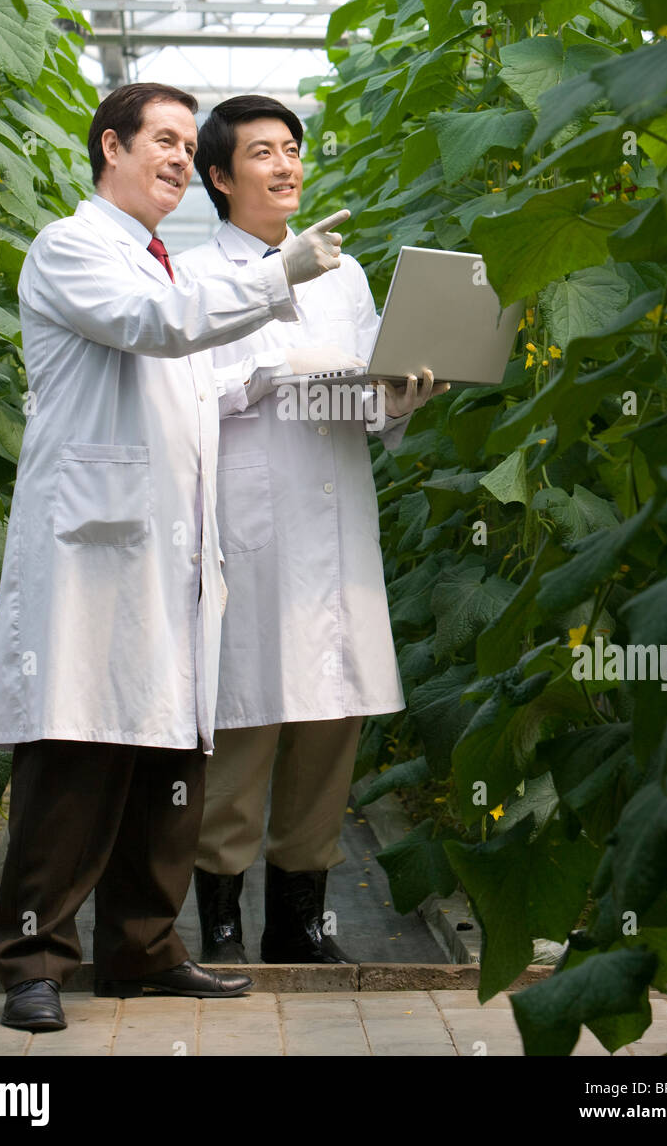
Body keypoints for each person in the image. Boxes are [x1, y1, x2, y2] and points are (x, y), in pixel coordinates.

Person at [0, 82, 348, 1030]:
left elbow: (194, 377)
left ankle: (143, 951)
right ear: (111, 146)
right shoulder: (73, 249)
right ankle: (32, 961)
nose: (183, 160)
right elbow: (161, 325)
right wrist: (281, 274)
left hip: (174, 553)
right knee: (74, 758)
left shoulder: (162, 265)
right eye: (167, 141)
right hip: (94, 553)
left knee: (167, 763)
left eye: (190, 146)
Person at [175, 95, 448, 964]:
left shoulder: (347, 273)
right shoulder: (193, 274)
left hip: (335, 520)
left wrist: (396, 398)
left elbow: (362, 393)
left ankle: (299, 925)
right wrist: (276, 366)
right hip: (250, 524)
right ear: (220, 178)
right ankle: (217, 926)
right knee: (243, 729)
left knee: (333, 723)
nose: (287, 165)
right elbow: (191, 394)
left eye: (292, 149)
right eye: (262, 152)